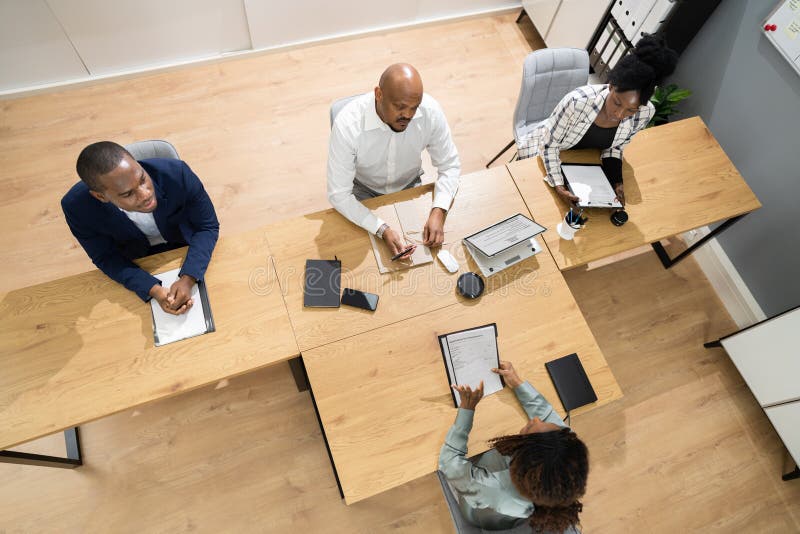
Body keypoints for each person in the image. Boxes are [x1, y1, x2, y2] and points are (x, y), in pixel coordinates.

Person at [517, 34, 678, 209]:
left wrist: (617, 182)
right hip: (543, 155)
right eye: (617, 102)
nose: (619, 114)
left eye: (631, 110)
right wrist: (558, 185)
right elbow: (549, 145)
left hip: (583, 166)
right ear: (611, 86)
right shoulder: (578, 101)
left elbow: (615, 148)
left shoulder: (644, 113)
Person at [62, 141, 219, 315]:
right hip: (134, 258)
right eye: (128, 194)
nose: (146, 195)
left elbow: (207, 227)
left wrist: (188, 278)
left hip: (183, 245)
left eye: (143, 179)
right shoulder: (76, 207)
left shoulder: (177, 173)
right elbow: (105, 257)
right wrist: (153, 289)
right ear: (101, 196)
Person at [327, 63, 461, 258]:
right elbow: (339, 194)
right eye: (400, 107)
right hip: (362, 192)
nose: (407, 115)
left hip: (410, 186)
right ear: (379, 94)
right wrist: (381, 229)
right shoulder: (348, 124)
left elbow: (450, 165)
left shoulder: (430, 112)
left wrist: (439, 210)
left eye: (414, 108)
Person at [439, 361, 589, 532]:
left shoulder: (496, 490)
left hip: (478, 501)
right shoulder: (560, 455)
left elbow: (448, 462)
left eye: (530, 429)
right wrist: (516, 382)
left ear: (520, 455)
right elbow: (547, 416)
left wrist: (467, 409)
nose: (536, 420)